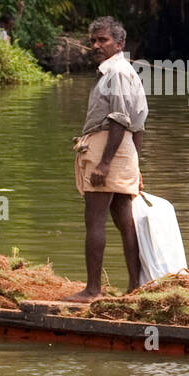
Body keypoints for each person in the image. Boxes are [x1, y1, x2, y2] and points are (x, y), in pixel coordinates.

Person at [63, 17, 148, 303]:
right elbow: (137, 125)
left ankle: (92, 290)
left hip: (108, 149)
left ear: (119, 44)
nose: (96, 45)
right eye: (94, 41)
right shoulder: (117, 71)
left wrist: (104, 163)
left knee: (94, 220)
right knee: (125, 221)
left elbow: (121, 120)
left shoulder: (117, 72)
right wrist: (134, 164)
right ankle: (135, 288)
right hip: (122, 151)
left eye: (103, 40)